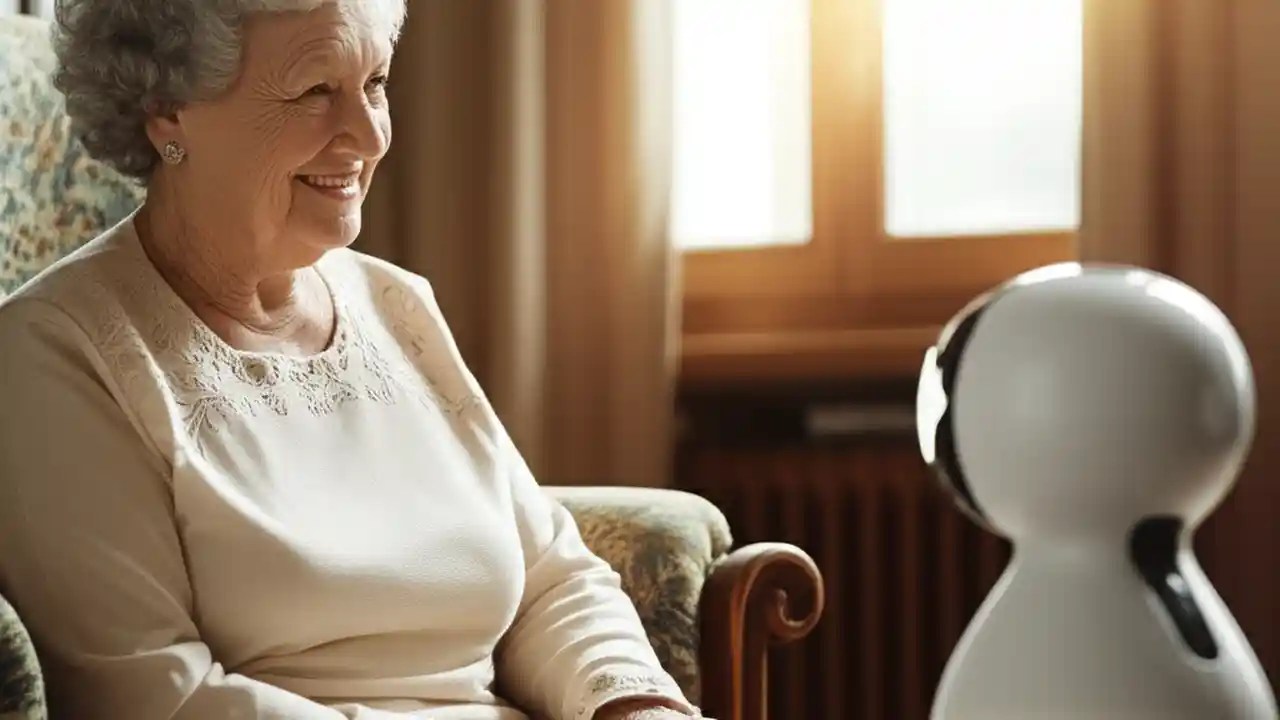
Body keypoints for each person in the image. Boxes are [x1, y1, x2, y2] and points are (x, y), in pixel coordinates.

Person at [0, 1, 703, 719]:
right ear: (167, 109)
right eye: (314, 92)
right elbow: (156, 696)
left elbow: (550, 579)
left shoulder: (394, 304)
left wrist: (630, 705)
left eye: (376, 84)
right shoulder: (55, 353)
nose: (368, 136)